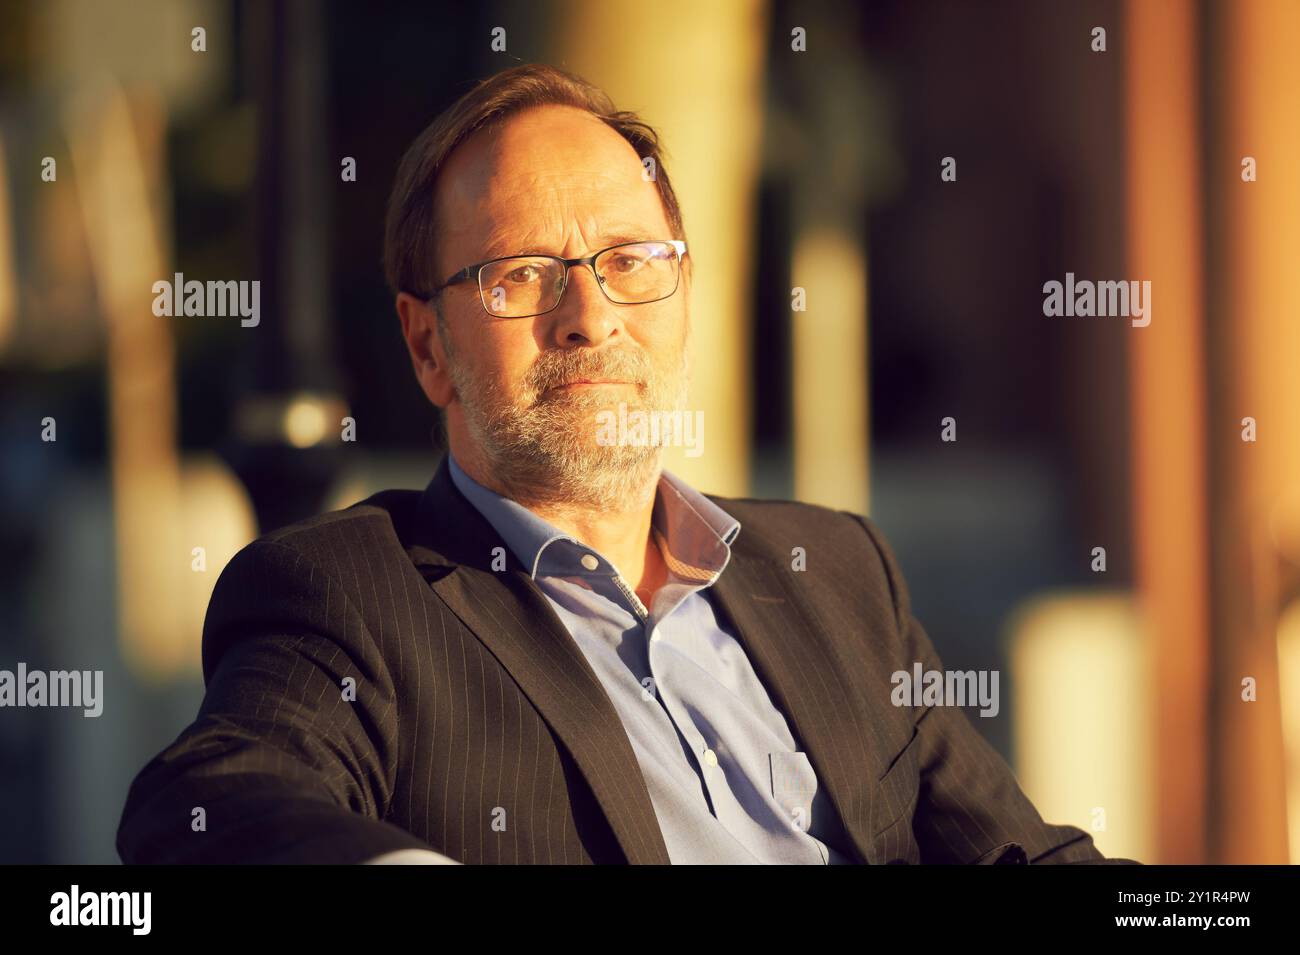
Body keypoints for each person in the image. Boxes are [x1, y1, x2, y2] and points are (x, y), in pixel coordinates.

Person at [117, 63, 1129, 865]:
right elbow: (207, 802)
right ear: (428, 347)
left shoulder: (836, 570)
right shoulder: (351, 597)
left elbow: (1020, 855)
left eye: (632, 263)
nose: (590, 316)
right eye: (520, 275)